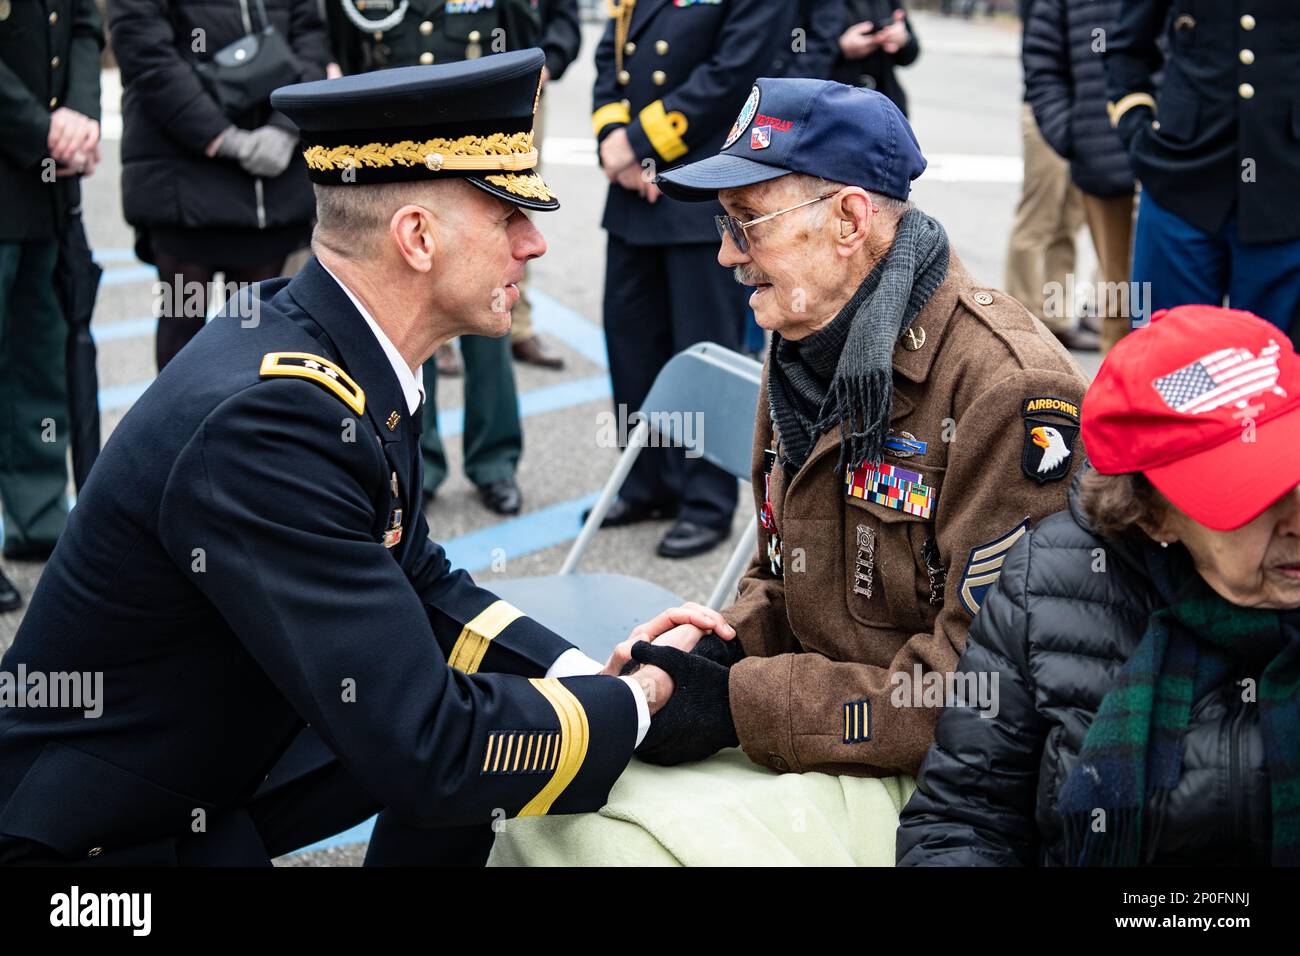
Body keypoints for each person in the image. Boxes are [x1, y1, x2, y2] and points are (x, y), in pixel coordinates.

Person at [0, 52, 722, 866]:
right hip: (89, 851)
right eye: (507, 215)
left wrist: (581, 671)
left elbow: (420, 581)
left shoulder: (330, 337)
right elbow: (428, 748)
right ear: (415, 237)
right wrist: (638, 701)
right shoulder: (273, 420)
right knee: (454, 754)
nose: (536, 242)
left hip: (205, 757)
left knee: (486, 736)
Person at [489, 78, 1089, 866]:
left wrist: (737, 704)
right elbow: (785, 581)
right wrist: (707, 655)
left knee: (611, 850)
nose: (726, 255)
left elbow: (977, 689)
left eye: (748, 224)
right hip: (825, 725)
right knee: (538, 802)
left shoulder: (1008, 388)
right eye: (722, 223)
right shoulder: (808, 337)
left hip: (946, 780)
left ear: (849, 219)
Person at [899, 305, 1300, 866]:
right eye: (1256, 497)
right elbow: (964, 818)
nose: (1297, 521)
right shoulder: (1044, 588)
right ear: (1152, 516)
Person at [326, 0, 543, 515]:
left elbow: (526, 54)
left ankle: (495, 462)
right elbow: (345, 58)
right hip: (393, 170)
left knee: (488, 314)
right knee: (409, 317)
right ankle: (414, 464)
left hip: (478, 169)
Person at [589, 0, 788, 559]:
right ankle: (648, 483)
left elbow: (734, 74)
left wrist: (646, 148)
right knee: (630, 344)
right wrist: (615, 143)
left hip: (701, 185)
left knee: (704, 352)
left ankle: (707, 500)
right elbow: (613, 56)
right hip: (633, 194)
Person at [109, 0, 330, 371]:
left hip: (271, 183)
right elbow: (146, 54)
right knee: (183, 334)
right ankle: (180, 430)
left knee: (261, 340)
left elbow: (311, 38)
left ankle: (251, 430)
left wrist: (285, 125)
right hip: (183, 176)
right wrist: (221, 137)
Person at [1107, 2, 1300, 336]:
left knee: (1278, 369)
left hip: (1288, 186)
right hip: (1179, 177)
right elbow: (1126, 48)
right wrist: (1138, 134)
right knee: (1167, 359)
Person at [0, 0, 103, 611]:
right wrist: (42, 125)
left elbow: (85, 24)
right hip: (24, 150)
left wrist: (82, 113)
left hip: (43, 186)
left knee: (38, 361)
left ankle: (36, 517)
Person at [1024, 0, 1137, 355]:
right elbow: (1043, 59)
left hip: (1185, 153)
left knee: (1174, 305)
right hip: (1101, 150)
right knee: (1122, 303)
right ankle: (1032, 326)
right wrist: (1075, 134)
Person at [1004, 0, 1094, 351]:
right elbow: (1039, 51)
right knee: (1038, 218)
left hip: (1085, 107)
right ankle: (1019, 322)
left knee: (1070, 222)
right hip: (1047, 107)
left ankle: (1054, 321)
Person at [508, 0, 580, 371]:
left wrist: (548, 64)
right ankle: (443, 335)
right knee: (441, 203)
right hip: (450, 84)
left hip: (522, 93)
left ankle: (517, 324)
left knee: (516, 205)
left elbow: (565, 19)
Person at [829, 1, 919, 116]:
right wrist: (840, 49)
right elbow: (801, 48)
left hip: (886, 104)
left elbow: (911, 54)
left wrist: (902, 39)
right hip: (835, 106)